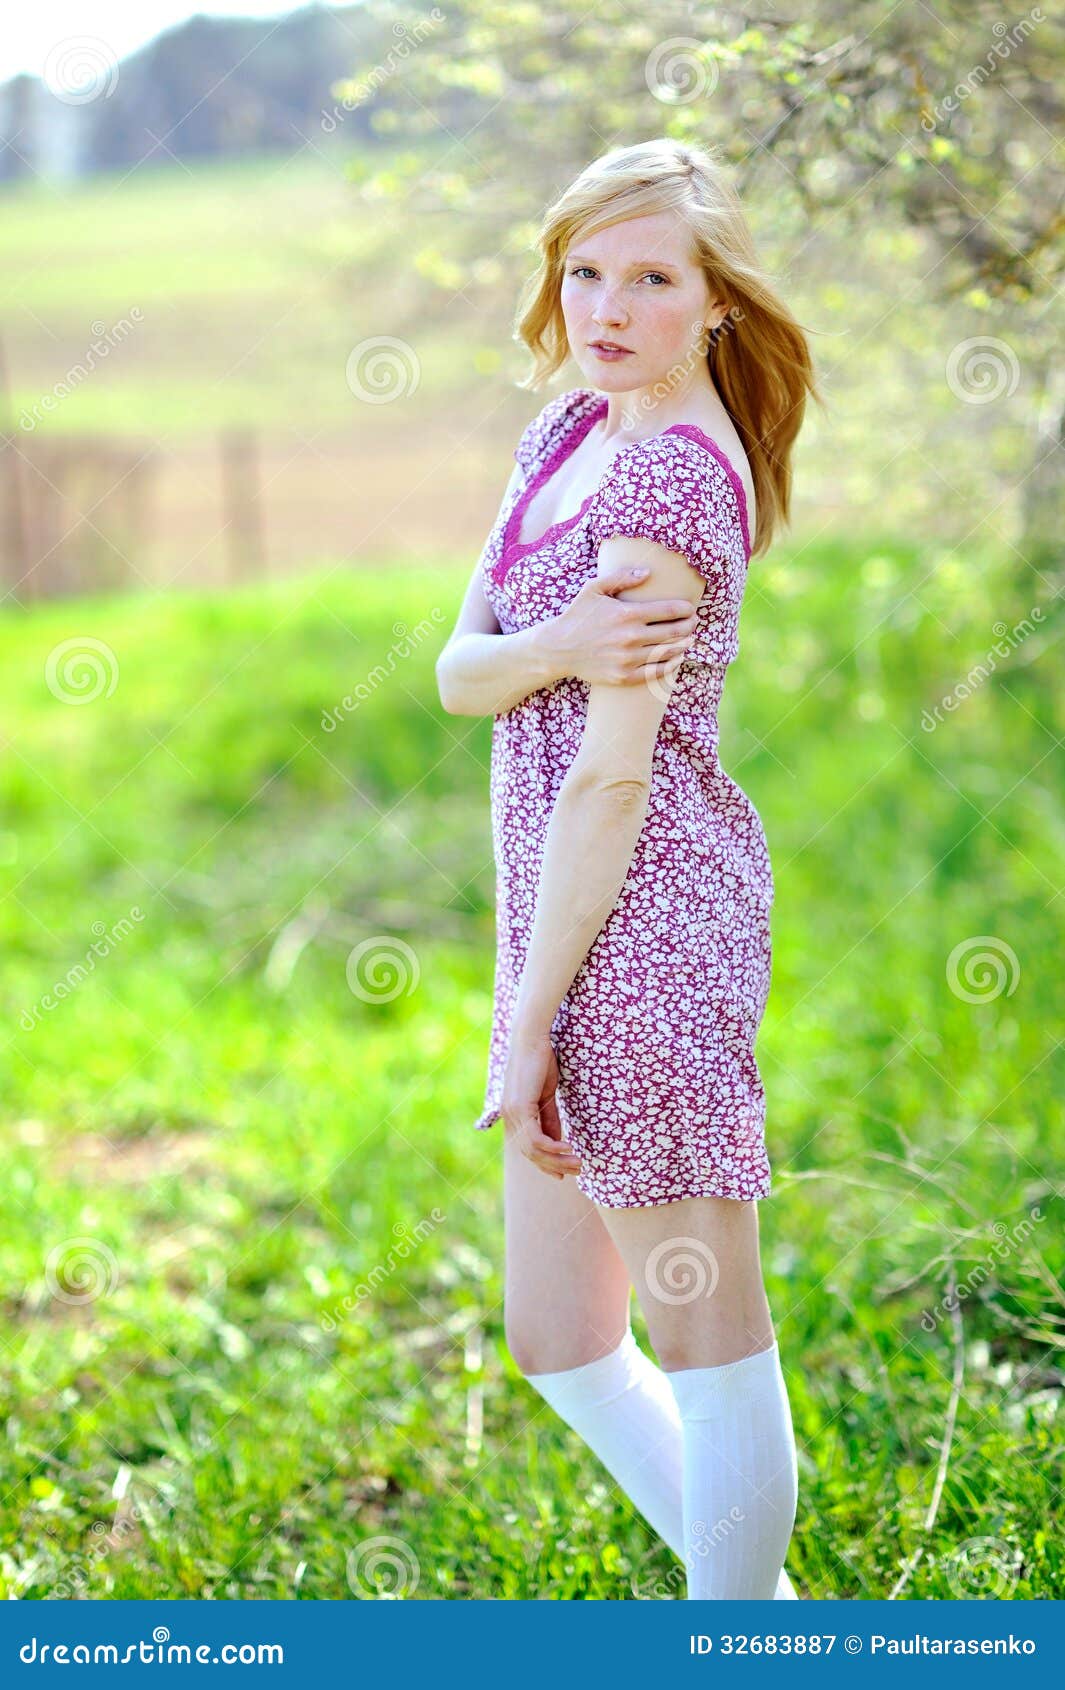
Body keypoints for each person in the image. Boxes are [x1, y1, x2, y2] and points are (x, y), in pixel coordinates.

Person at [436, 137, 821, 1600]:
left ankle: (744, 1642)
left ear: (714, 299)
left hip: (641, 932)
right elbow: (456, 672)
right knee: (561, 1338)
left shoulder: (668, 483)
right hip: (556, 927)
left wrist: (530, 1018)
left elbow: (609, 775)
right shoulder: (565, 433)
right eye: (584, 270)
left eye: (649, 277)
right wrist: (549, 649)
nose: (606, 305)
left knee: (704, 1340)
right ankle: (775, 1626)